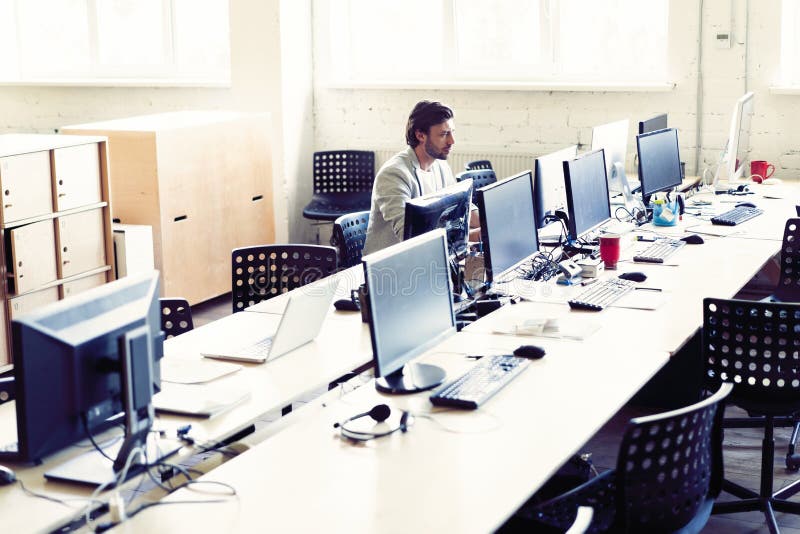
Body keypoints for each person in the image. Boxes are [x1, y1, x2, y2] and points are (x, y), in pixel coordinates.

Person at [363, 100, 479, 255]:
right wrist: (474, 235)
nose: (452, 141)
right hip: (392, 266)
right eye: (444, 134)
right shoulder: (393, 174)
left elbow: (463, 208)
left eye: (452, 132)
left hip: (428, 258)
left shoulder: (440, 165)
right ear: (420, 135)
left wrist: (488, 224)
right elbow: (411, 239)